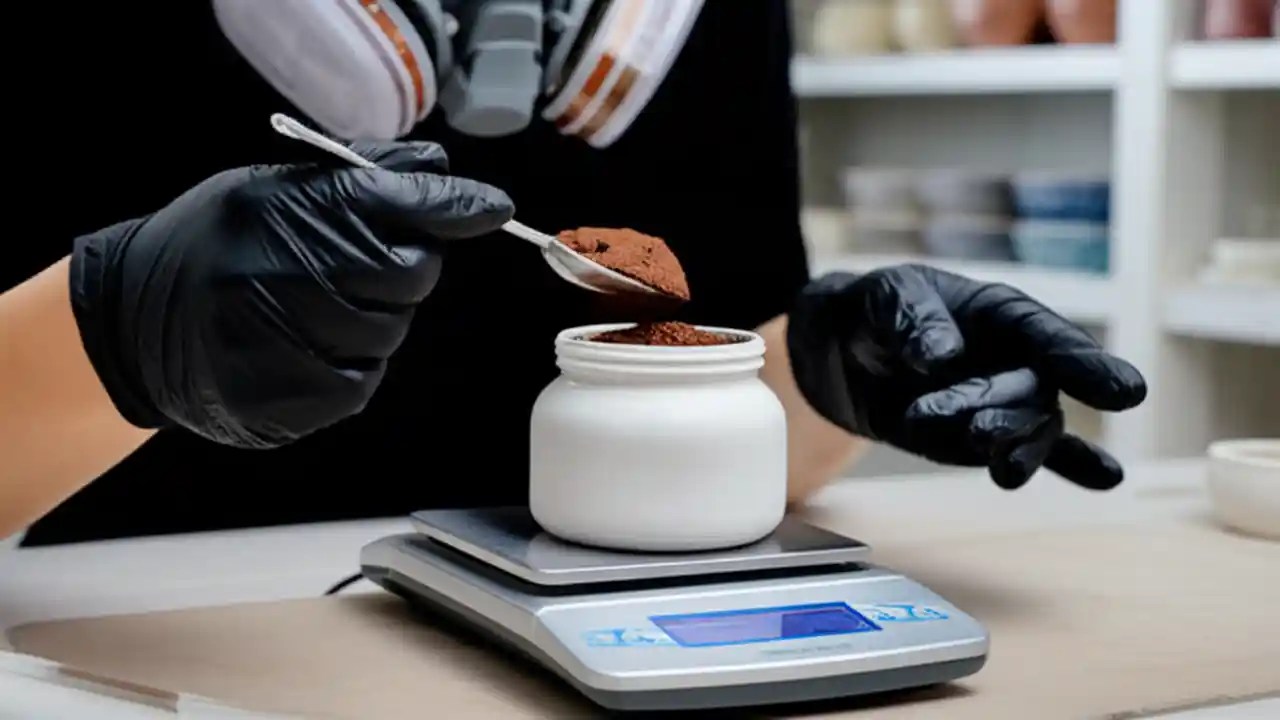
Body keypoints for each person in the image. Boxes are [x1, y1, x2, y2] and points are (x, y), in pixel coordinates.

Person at [0, 2, 1145, 545]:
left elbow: (741, 428)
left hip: (559, 635)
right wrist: (111, 333)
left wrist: (824, 374)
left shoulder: (702, 24)